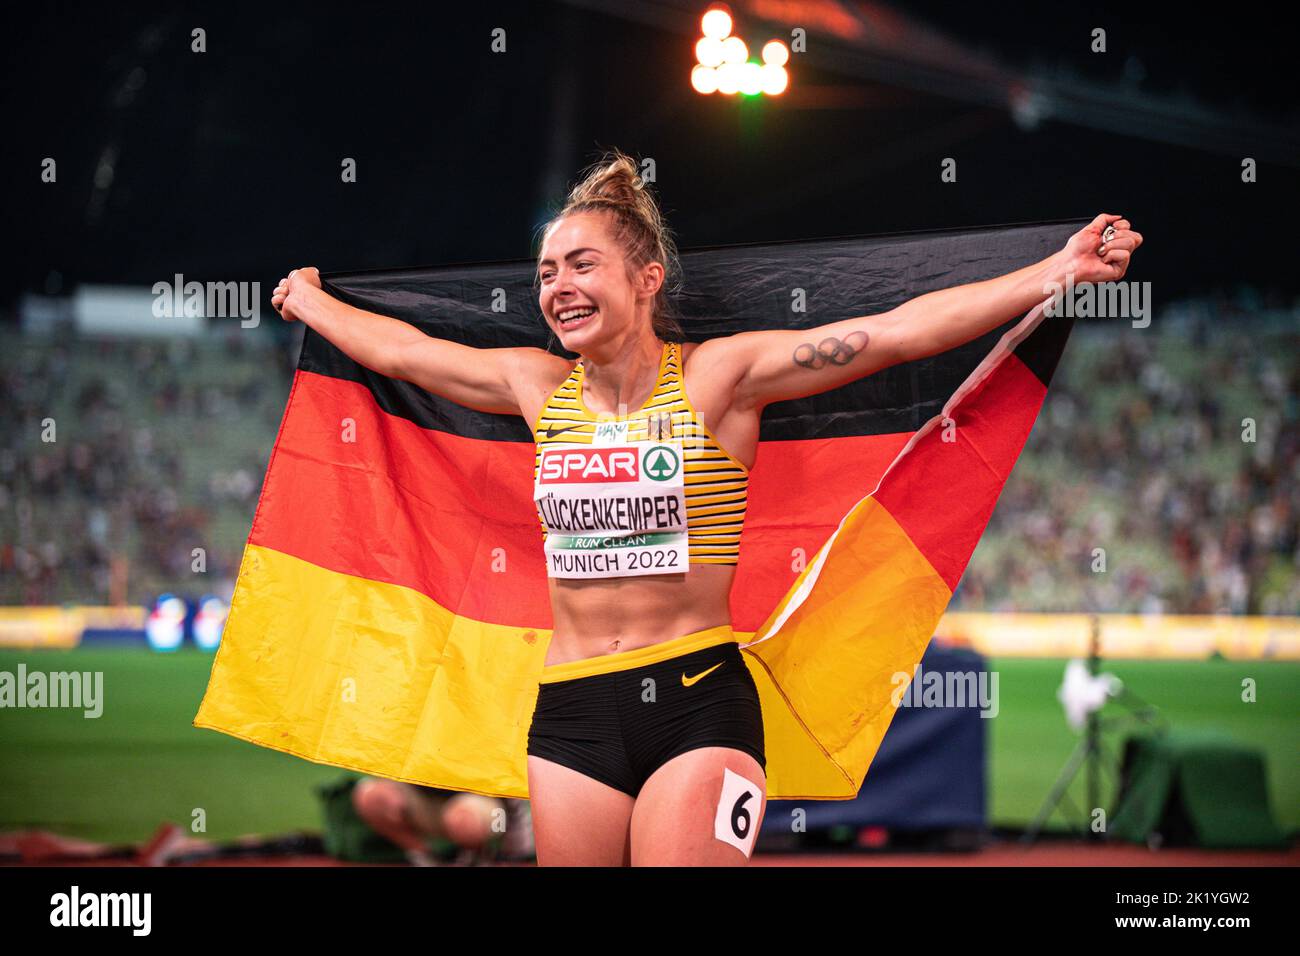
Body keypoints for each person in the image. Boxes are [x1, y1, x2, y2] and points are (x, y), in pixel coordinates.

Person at [271, 148, 1141, 866]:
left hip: (695, 700)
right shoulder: (534, 386)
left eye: (582, 265)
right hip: (570, 709)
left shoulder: (719, 378)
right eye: (546, 273)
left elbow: (896, 332)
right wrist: (311, 300)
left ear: (646, 278)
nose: (559, 287)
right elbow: (408, 353)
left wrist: (1058, 270)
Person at [351, 778, 534, 865]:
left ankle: (480, 860)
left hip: (481, 805)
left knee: (464, 820)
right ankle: (428, 859)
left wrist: (517, 850)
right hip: (424, 797)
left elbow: (509, 791)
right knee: (370, 795)